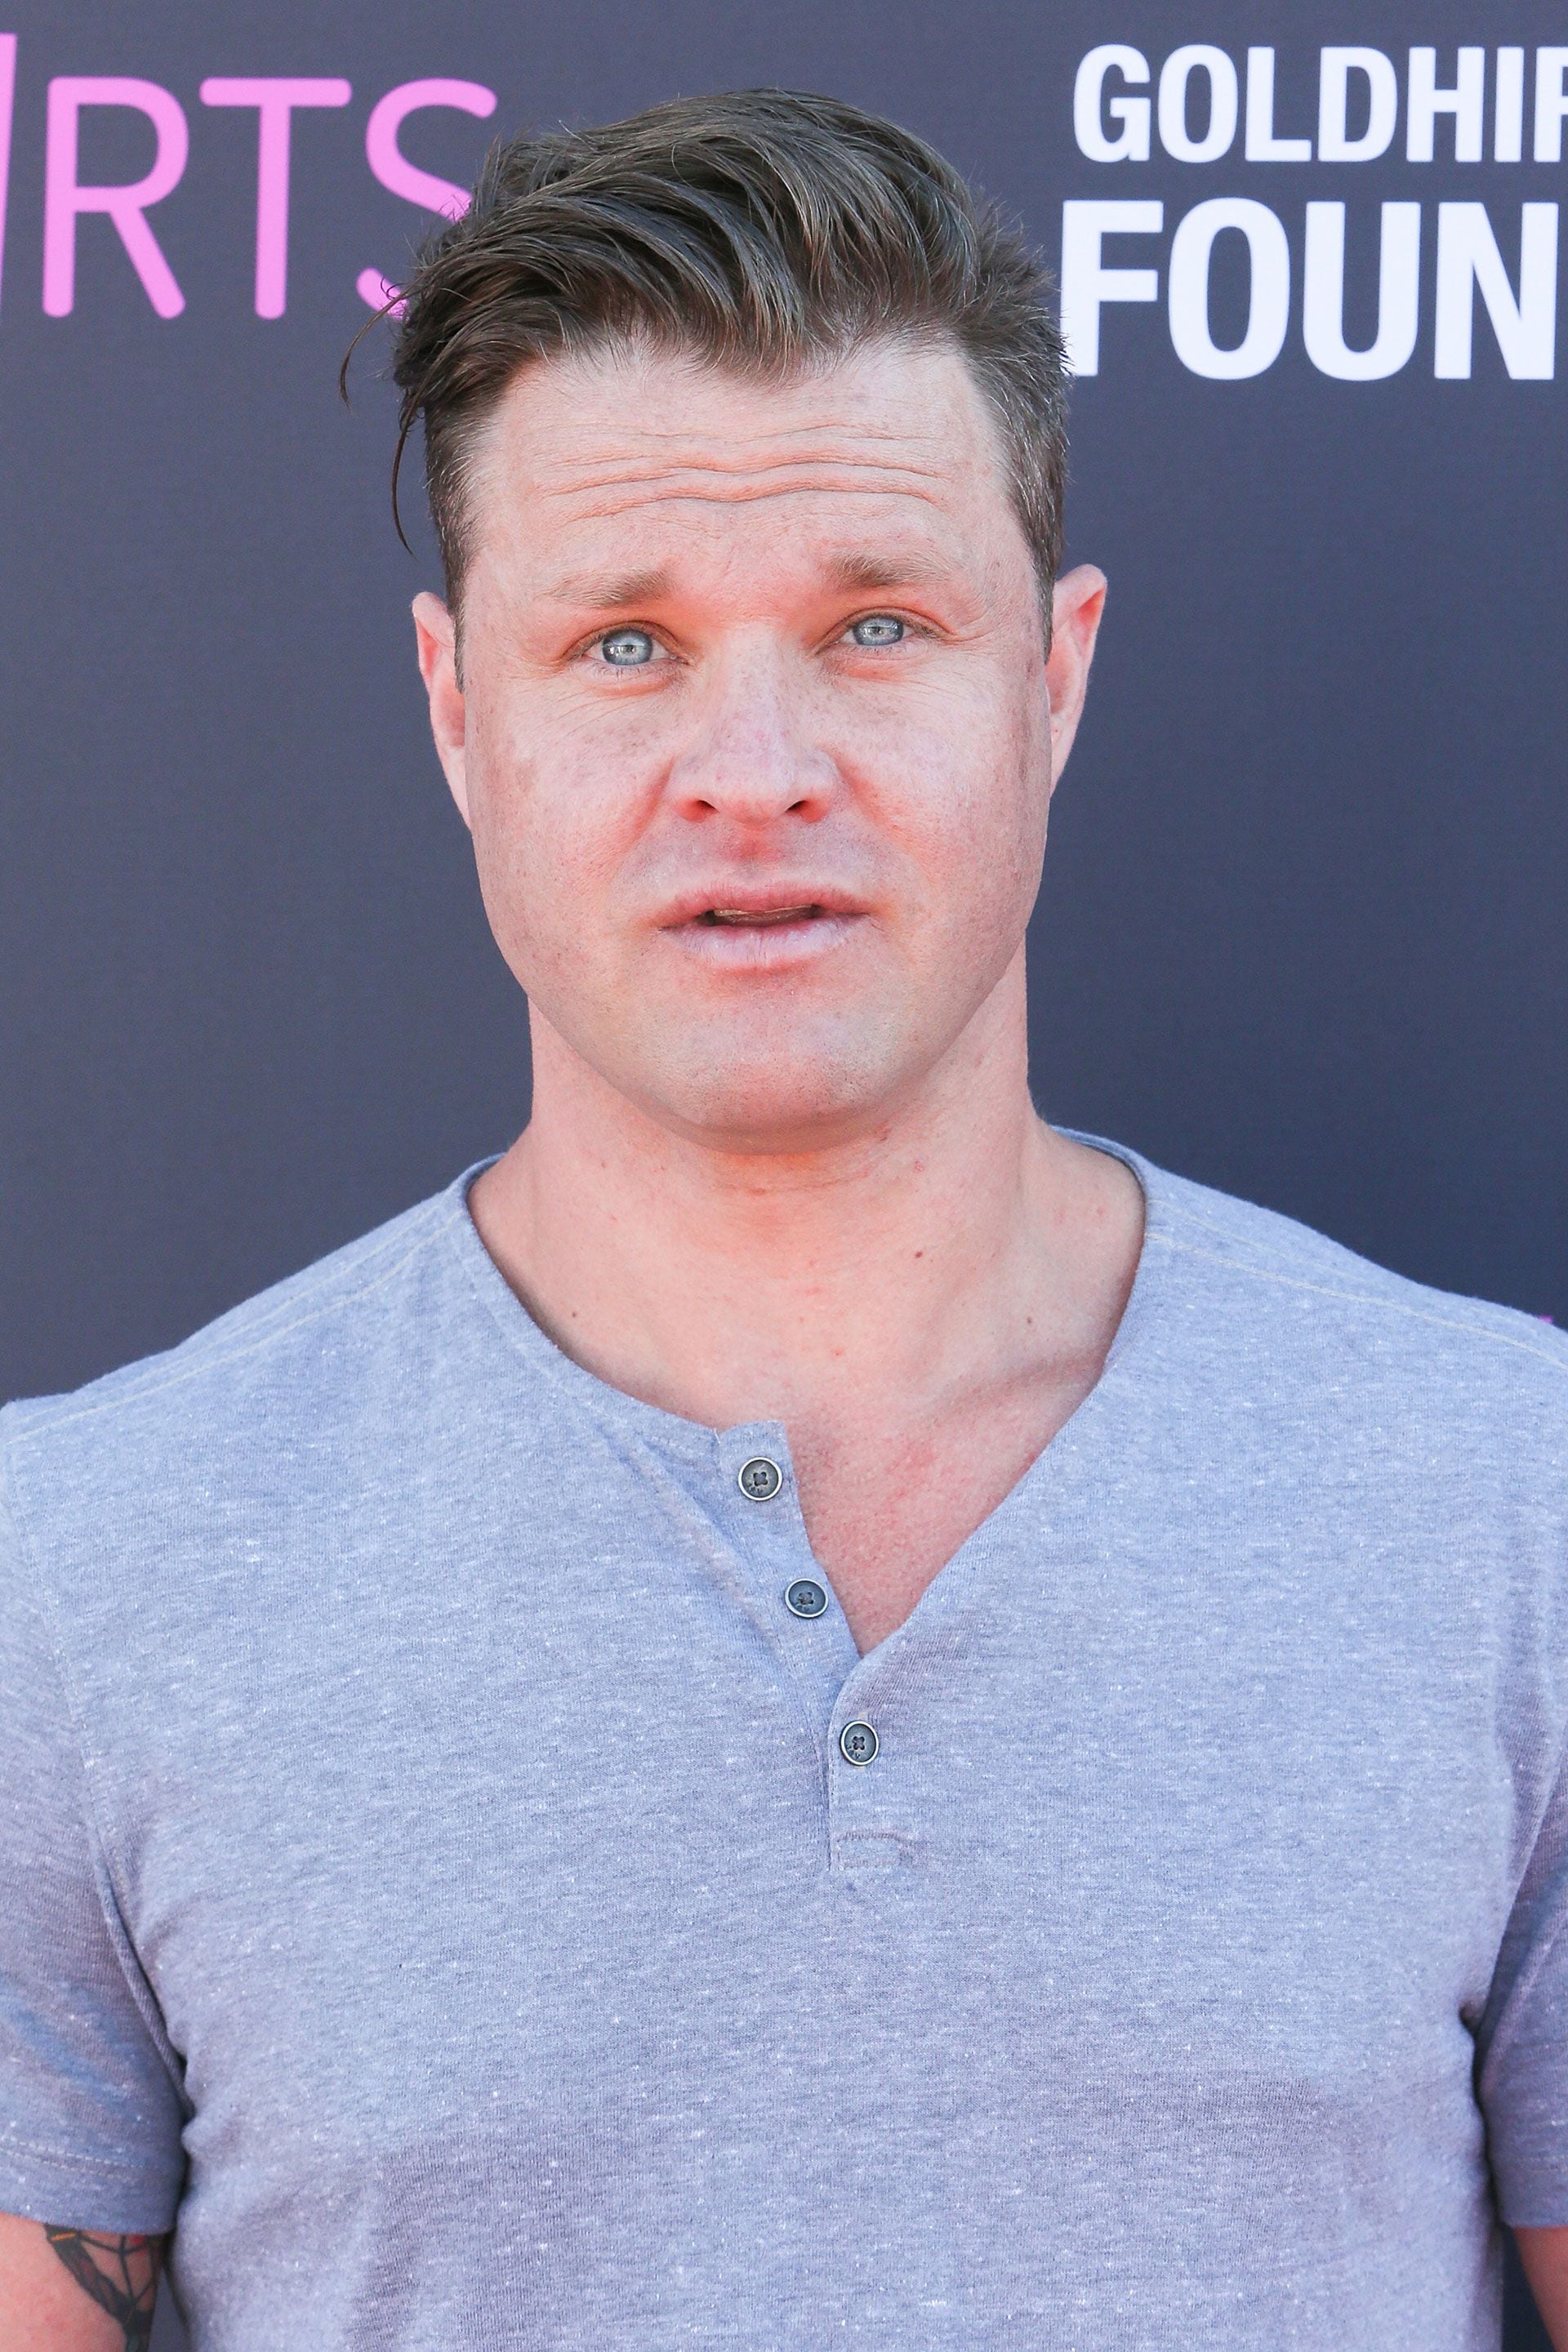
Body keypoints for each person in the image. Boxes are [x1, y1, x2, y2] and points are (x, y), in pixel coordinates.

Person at [0, 86, 1563, 2352]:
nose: (754, 772)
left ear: (1056, 677)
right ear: (457, 710)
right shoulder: (78, 1574)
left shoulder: (1509, 1507)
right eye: (623, 644)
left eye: (876, 626)